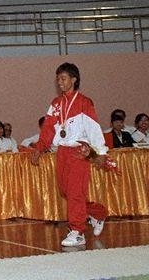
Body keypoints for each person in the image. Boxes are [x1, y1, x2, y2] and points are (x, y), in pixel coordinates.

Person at [31, 62, 108, 248]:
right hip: (62, 152)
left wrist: (101, 152)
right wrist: (40, 148)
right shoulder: (56, 104)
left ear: (74, 79)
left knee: (75, 192)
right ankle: (97, 213)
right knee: (65, 191)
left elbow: (94, 128)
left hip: (79, 151)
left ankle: (77, 231)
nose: (59, 82)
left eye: (63, 78)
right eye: (58, 79)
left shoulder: (84, 102)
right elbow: (48, 128)